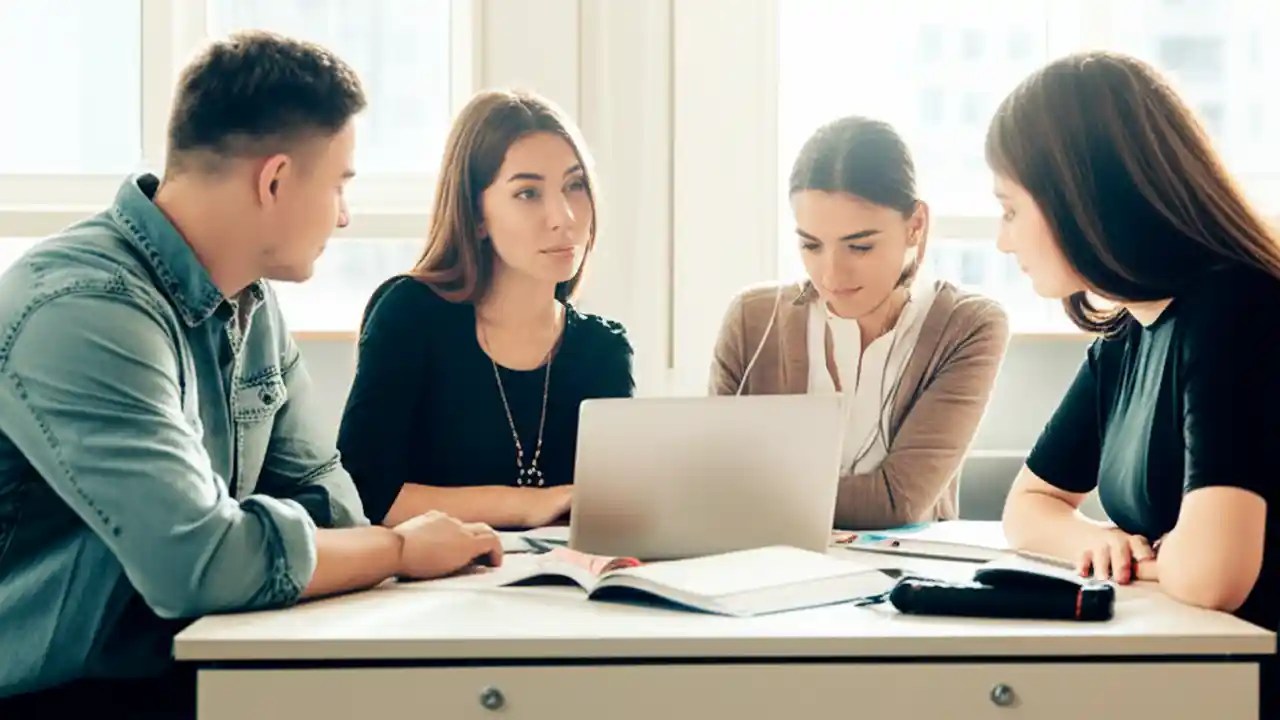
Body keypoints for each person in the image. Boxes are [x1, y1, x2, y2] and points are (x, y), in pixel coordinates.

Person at [0, 31, 501, 715]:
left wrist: (343, 546)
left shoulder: (249, 303)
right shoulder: (84, 311)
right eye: (339, 185)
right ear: (275, 179)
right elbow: (198, 565)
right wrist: (398, 549)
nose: (346, 215)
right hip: (57, 694)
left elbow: (330, 502)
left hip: (187, 669)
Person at [990, 51, 1276, 711]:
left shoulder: (1236, 310)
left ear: (1076, 198)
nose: (1004, 243)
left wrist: (1155, 562)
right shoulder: (1127, 337)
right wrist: (1102, 544)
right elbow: (1027, 507)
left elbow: (1214, 578)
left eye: (1008, 210)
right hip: (1202, 669)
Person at [338, 89, 634, 530]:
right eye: (528, 193)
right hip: (431, 587)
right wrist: (529, 505)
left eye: (575, 186)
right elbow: (363, 492)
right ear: (476, 215)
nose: (564, 216)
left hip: (560, 591)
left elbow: (615, 507)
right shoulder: (411, 314)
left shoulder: (603, 348)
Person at [710, 116, 1009, 530]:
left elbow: (897, 500)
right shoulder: (751, 318)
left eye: (860, 246)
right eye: (811, 245)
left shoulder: (969, 326)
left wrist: (749, 494)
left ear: (915, 226)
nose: (831, 275)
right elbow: (709, 482)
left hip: (905, 582)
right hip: (763, 573)